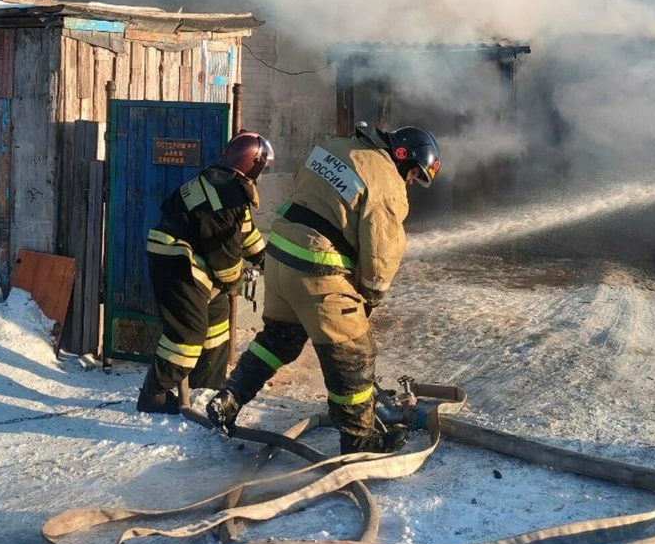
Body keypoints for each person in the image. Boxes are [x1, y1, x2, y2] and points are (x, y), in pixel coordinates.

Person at [206, 124, 440, 454]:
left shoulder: (334, 146)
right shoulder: (388, 184)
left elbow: (309, 189)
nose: (411, 182)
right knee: (353, 355)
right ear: (403, 157)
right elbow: (381, 253)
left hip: (280, 255)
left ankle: (230, 398)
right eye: (414, 174)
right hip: (319, 269)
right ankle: (359, 439)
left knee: (279, 339)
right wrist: (370, 296)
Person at [136, 131, 274, 414]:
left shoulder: (226, 185)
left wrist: (264, 258)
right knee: (187, 334)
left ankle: (207, 381)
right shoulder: (226, 194)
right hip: (176, 261)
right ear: (253, 164)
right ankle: (154, 394)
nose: (263, 174)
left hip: (188, 259)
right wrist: (234, 279)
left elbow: (242, 231)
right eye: (263, 167)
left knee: (217, 315)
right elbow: (224, 256)